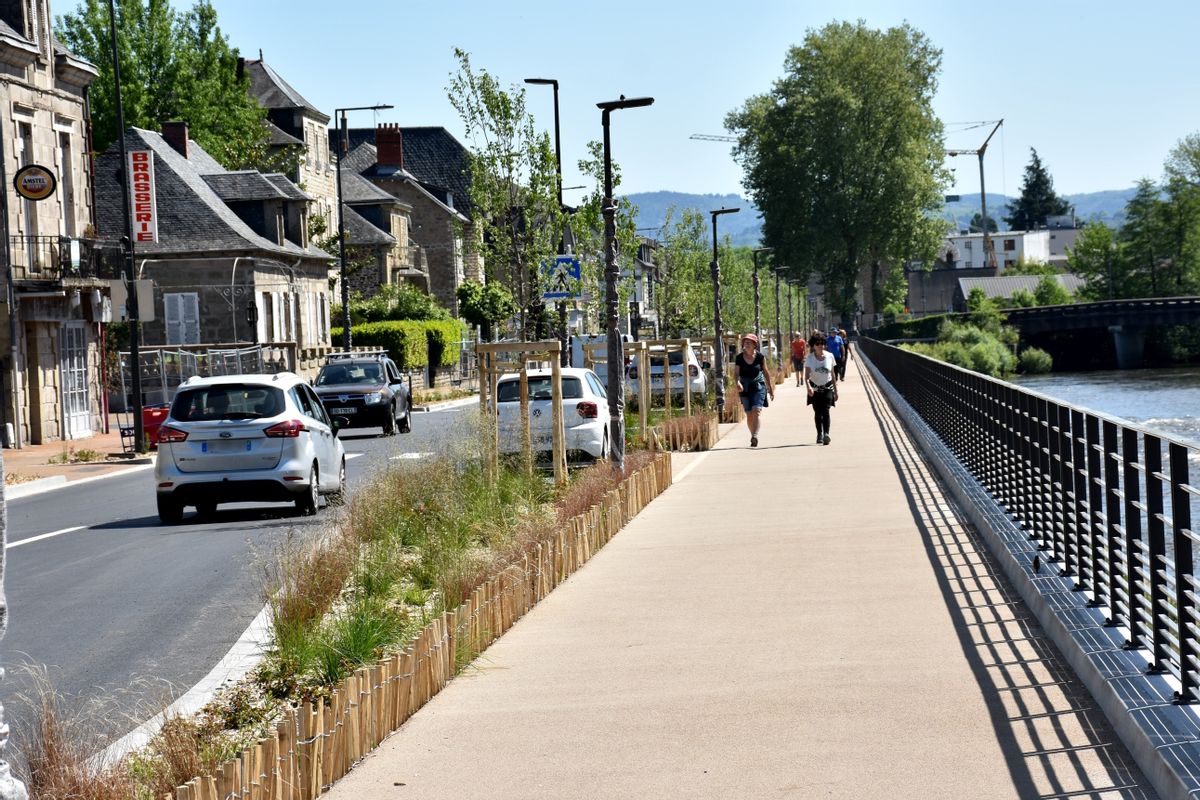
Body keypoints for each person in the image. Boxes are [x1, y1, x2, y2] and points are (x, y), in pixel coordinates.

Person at [735, 333, 774, 448]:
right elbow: (736, 373)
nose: (746, 344)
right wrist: (737, 382)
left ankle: (755, 436)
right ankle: (752, 435)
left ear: (754, 345)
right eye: (745, 342)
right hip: (744, 387)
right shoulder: (739, 358)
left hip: (758, 386)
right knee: (749, 414)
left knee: (756, 411)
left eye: (749, 342)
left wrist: (770, 389)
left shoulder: (760, 357)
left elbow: (766, 372)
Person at [804, 333, 837, 445]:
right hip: (815, 388)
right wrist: (808, 387)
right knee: (818, 412)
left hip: (827, 387)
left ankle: (826, 434)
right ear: (813, 346)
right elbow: (807, 376)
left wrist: (836, 391)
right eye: (818, 344)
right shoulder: (809, 359)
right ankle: (819, 433)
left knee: (826, 410)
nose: (820, 346)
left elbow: (832, 375)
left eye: (822, 343)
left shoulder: (830, 356)